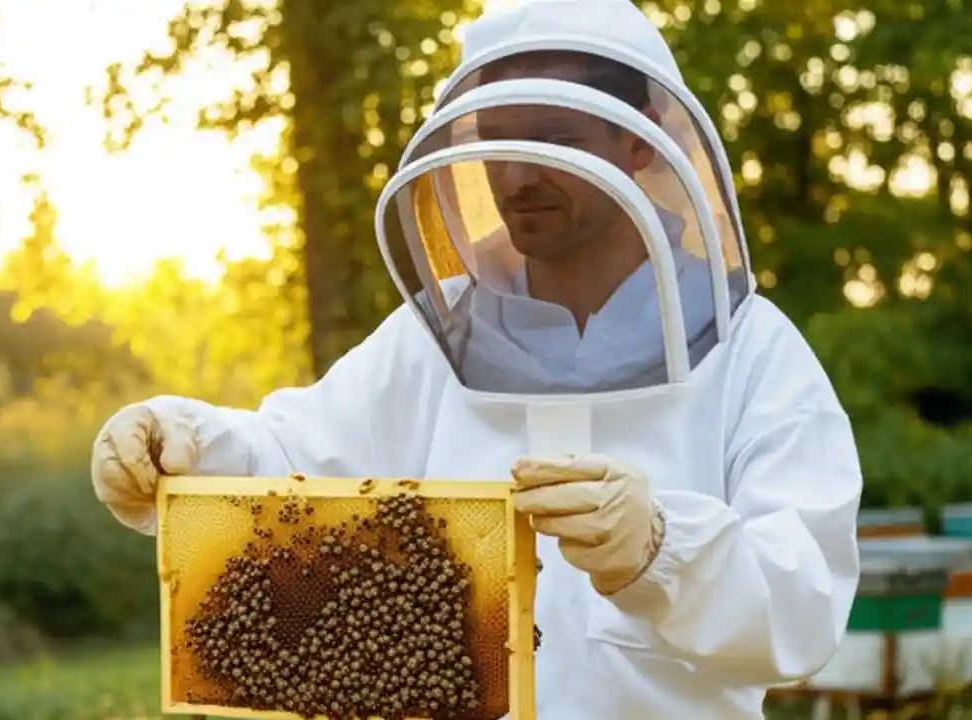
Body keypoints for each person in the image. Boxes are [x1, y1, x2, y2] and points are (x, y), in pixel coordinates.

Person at [91, 0, 862, 717]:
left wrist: (665, 550)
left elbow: (805, 607)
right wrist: (180, 443)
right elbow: (293, 464)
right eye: (499, 142)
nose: (516, 178)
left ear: (639, 138)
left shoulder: (754, 353)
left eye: (555, 141)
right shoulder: (433, 338)